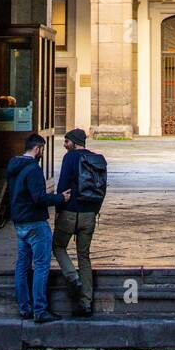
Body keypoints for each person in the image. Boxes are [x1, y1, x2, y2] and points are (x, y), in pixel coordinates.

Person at [6, 132, 70, 323]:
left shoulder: (13, 166)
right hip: (35, 222)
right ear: (37, 149)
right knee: (41, 266)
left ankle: (24, 308)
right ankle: (40, 310)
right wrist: (61, 198)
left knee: (22, 265)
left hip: (20, 223)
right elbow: (38, 197)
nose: (42, 153)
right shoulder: (33, 169)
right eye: (42, 149)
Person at [52, 128, 107, 318]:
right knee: (84, 256)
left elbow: (62, 185)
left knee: (58, 246)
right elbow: (102, 188)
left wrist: (59, 210)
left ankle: (72, 276)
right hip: (89, 215)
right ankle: (86, 302)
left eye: (66, 142)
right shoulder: (96, 159)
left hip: (69, 212)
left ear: (74, 143)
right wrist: (94, 211)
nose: (64, 144)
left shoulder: (70, 158)